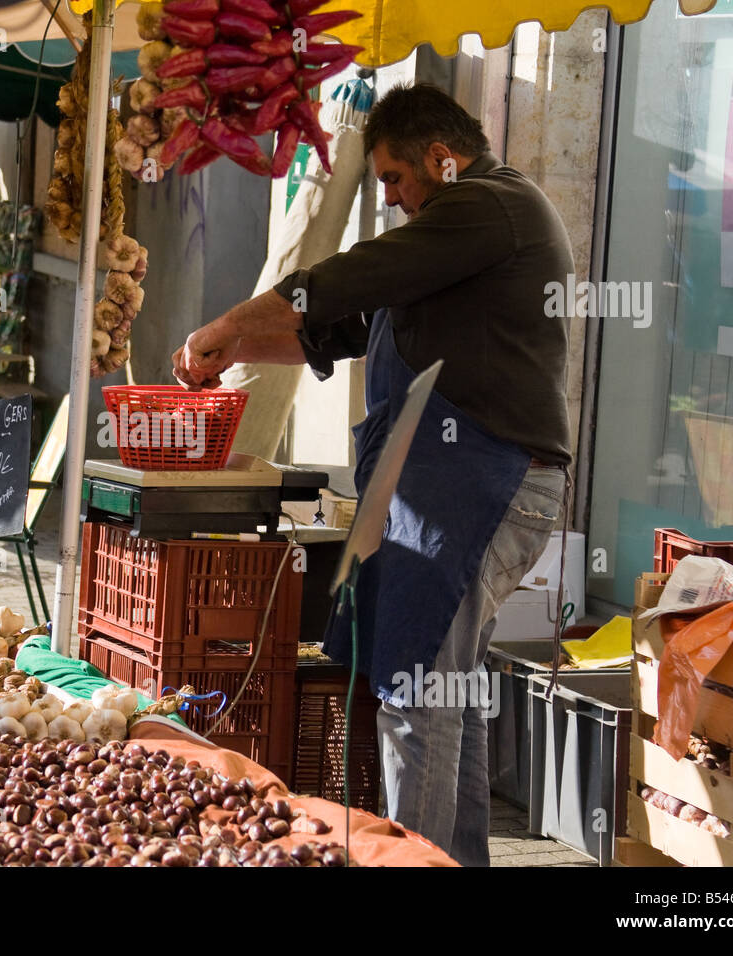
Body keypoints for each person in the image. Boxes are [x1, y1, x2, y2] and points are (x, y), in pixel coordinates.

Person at [173, 83, 573, 866]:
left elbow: (350, 278)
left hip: (483, 487)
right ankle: (449, 859)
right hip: (446, 492)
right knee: (441, 696)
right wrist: (237, 349)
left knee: (417, 696)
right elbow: (338, 327)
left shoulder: (486, 205)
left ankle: (409, 861)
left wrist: (222, 325)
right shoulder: (452, 243)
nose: (387, 199)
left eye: (392, 178)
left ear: (441, 157)